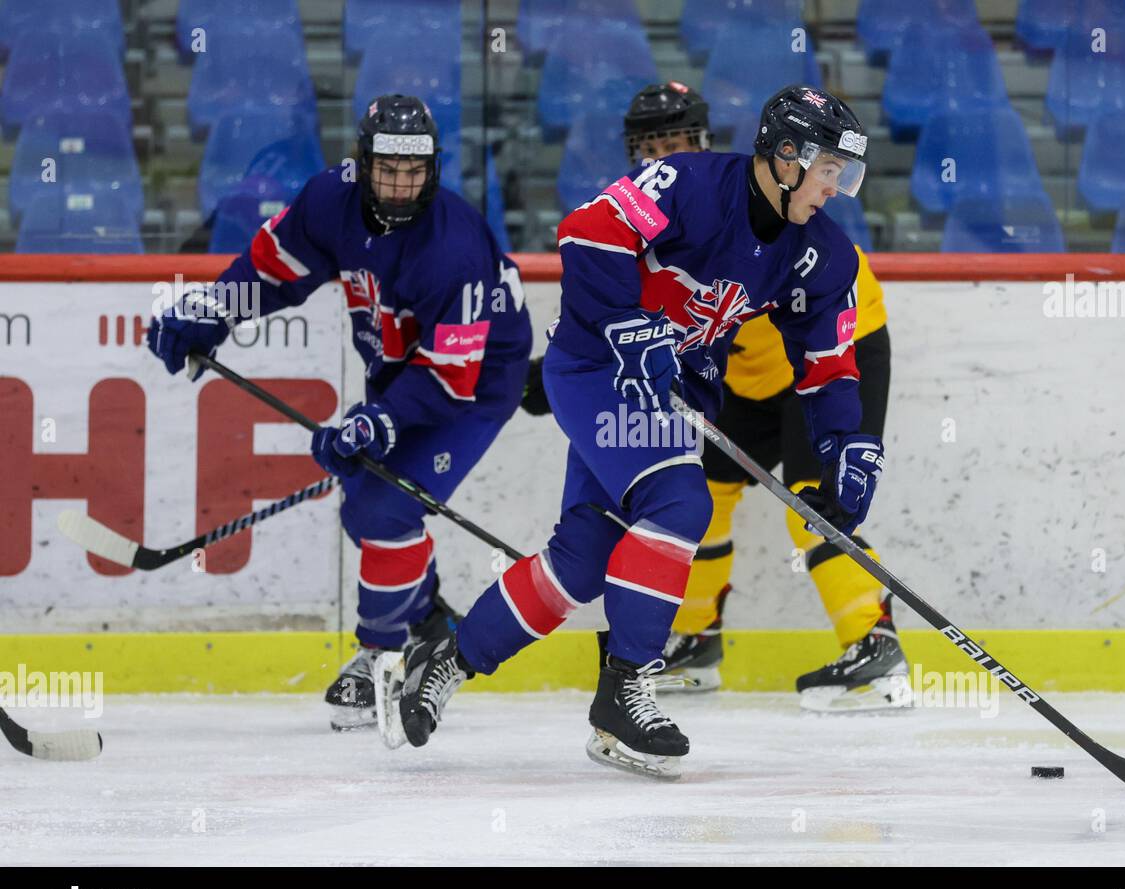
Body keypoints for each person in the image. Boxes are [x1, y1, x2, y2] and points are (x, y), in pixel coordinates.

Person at [399, 85, 880, 777]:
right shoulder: (690, 183)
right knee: (681, 502)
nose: (836, 188)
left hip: (674, 387)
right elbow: (588, 229)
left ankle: (447, 658)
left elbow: (829, 366)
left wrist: (848, 446)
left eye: (844, 174)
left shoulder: (822, 254)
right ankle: (625, 689)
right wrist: (628, 321)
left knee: (582, 561)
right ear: (783, 156)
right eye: (829, 170)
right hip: (598, 366)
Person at [145, 94, 532, 732]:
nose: (401, 187)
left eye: (415, 173)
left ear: (432, 170)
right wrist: (211, 313)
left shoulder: (454, 246)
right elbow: (271, 270)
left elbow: (446, 379)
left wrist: (376, 423)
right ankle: (430, 620)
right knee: (367, 499)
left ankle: (382, 653)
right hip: (402, 363)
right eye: (388, 170)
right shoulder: (331, 199)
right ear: (362, 162)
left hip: (475, 379)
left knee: (384, 506)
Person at [524, 82, 912, 712]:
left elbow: (775, 322)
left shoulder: (747, 205)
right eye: (649, 144)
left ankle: (875, 641)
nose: (662, 153)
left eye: (674, 142)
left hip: (833, 355)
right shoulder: (674, 204)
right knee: (709, 489)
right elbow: (647, 302)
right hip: (741, 375)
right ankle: (698, 639)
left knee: (811, 501)